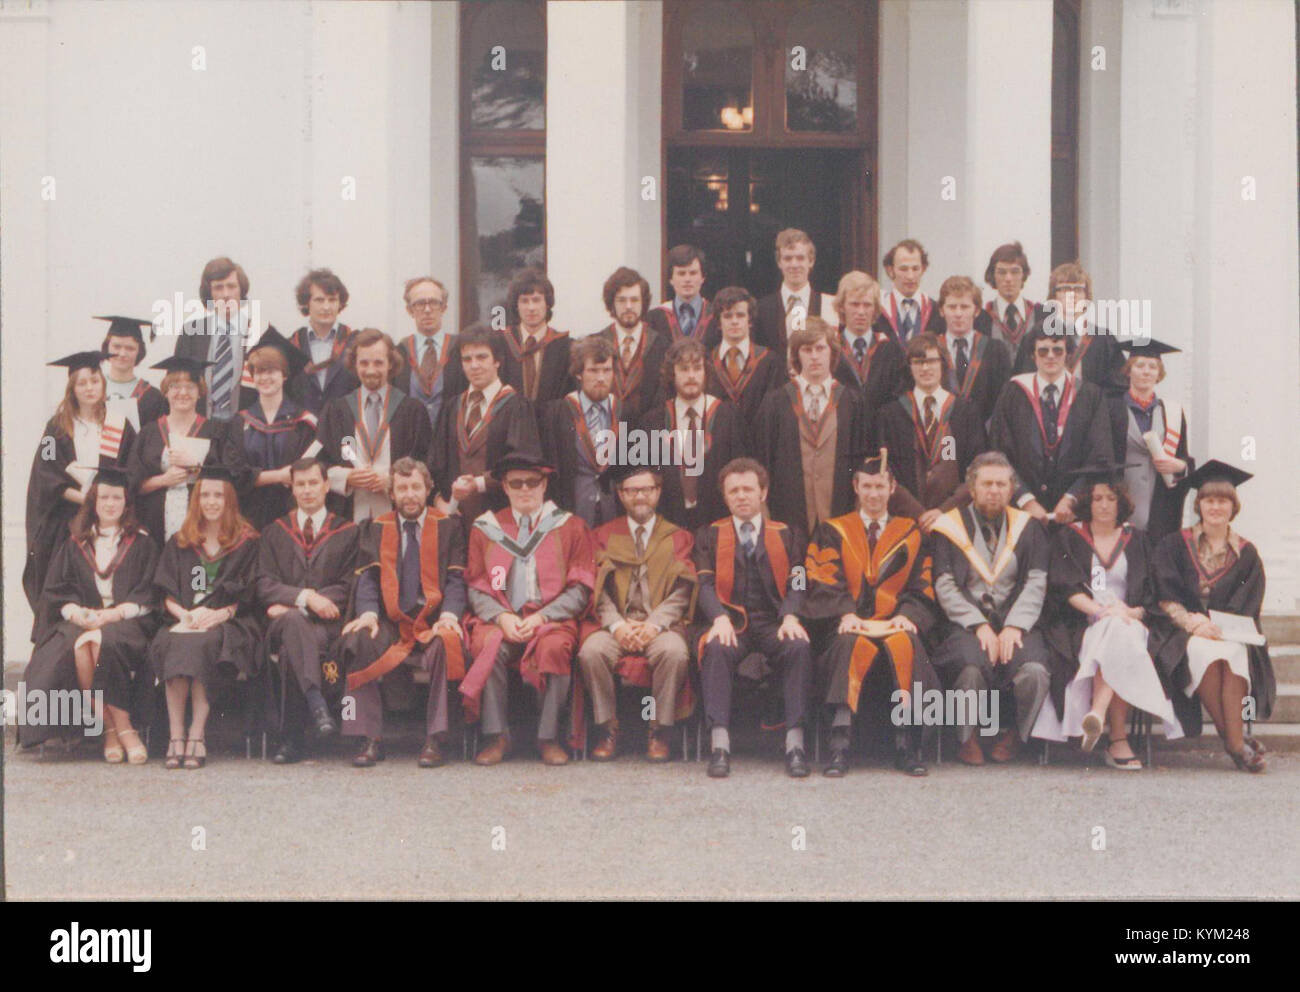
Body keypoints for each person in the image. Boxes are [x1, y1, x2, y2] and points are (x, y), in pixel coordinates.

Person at [1032, 467, 1184, 769]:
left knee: (1119, 631)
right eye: (1097, 498)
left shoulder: (1138, 539)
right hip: (1083, 624)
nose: (1103, 504)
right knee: (1115, 632)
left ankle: (1097, 715)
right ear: (1088, 502)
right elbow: (1064, 588)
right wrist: (1100, 611)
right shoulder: (1069, 537)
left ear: (1121, 502)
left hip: (1131, 622)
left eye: (1110, 498)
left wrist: (1127, 612)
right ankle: (1117, 739)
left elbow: (1152, 595)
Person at [802, 453, 940, 776]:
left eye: (880, 486)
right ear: (855, 487)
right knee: (849, 643)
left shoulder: (912, 533)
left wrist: (909, 614)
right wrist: (845, 614)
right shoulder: (832, 531)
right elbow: (822, 579)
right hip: (848, 623)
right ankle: (840, 746)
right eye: (867, 486)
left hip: (894, 622)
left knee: (906, 643)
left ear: (893, 488)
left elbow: (924, 583)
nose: (874, 494)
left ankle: (908, 746)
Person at [461, 454, 594, 767]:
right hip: (501, 617)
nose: (525, 489)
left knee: (556, 648)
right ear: (504, 487)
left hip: (550, 619)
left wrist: (542, 617)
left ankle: (547, 737)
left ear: (544, 484)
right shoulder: (486, 529)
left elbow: (581, 587)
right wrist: (502, 616)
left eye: (532, 482)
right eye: (516, 483)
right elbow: (477, 585)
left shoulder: (570, 526)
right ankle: (497, 736)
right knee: (486, 645)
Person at [21, 469, 160, 762]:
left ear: (126, 503)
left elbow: (150, 594)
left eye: (117, 498)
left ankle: (116, 730)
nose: (110, 504)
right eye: (104, 497)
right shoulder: (75, 542)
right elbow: (56, 591)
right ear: (94, 502)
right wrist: (76, 613)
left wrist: (114, 615)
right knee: (80, 643)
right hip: (83, 619)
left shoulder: (143, 542)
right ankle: (118, 729)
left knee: (100, 642)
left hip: (126, 621)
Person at [338, 458, 467, 768]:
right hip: (391, 619)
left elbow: (455, 580)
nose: (409, 495)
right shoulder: (376, 527)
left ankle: (436, 738)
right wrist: (367, 613)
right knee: (360, 639)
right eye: (402, 488)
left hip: (432, 619)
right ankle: (368, 737)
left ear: (427, 489)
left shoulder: (448, 526)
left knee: (445, 644)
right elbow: (367, 579)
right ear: (392, 493)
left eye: (415, 487)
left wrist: (450, 615)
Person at [1151, 461, 1275, 773]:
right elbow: (1164, 596)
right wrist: (1193, 623)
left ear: (1233, 506)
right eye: (1209, 500)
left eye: (1222, 501)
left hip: (1229, 634)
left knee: (1230, 652)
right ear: (1199, 505)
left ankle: (1233, 741)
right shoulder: (1175, 545)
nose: (1215, 507)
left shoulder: (1247, 554)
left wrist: (1218, 626)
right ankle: (1236, 743)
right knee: (1202, 651)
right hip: (1185, 634)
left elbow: (1249, 605)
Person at [693, 458, 813, 778]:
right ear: (725, 496)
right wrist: (718, 618)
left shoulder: (787, 534)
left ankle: (795, 745)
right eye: (734, 491)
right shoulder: (710, 534)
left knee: (798, 647)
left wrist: (791, 616)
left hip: (774, 621)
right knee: (716, 648)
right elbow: (704, 584)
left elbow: (798, 582)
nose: (741, 496)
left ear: (763, 493)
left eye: (748, 489)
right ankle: (720, 745)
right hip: (732, 623)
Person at [930, 452, 1052, 765]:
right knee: (969, 667)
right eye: (987, 484)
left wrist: (1014, 626)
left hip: (1015, 621)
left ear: (1012, 490)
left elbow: (1036, 583)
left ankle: (1013, 735)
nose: (994, 490)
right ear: (972, 488)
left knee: (1035, 671)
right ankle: (966, 737)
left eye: (1001, 484)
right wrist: (977, 624)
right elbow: (945, 586)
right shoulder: (949, 527)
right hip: (966, 624)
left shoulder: (1029, 528)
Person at [576, 465, 696, 762]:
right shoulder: (602, 536)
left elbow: (683, 591)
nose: (640, 496)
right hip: (615, 625)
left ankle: (659, 730)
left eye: (646, 489)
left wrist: (654, 624)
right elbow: (596, 590)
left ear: (657, 492)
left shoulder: (678, 537)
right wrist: (617, 625)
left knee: (674, 653)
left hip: (660, 626)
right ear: (620, 495)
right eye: (632, 490)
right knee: (591, 652)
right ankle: (608, 728)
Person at [148, 465, 262, 770]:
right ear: (196, 500)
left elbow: (250, 596)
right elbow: (165, 591)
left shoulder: (247, 541)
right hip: (183, 620)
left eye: (218, 495)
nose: (211, 502)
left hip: (229, 623)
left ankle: (196, 733)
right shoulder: (181, 541)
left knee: (201, 644)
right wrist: (185, 615)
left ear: (229, 501)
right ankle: (176, 736)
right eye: (205, 495)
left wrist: (219, 614)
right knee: (176, 641)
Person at [256, 457, 362, 764]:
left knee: (292, 640)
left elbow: (347, 586)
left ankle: (292, 738)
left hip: (325, 624)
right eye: (300, 484)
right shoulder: (275, 531)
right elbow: (263, 583)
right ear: (291, 488)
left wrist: (298, 604)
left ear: (327, 485)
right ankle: (318, 707)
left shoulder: (348, 531)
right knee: (291, 623)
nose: (307, 490)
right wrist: (305, 598)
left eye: (313, 483)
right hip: (284, 624)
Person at [24, 352, 132, 618]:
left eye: (94, 381)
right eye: (81, 383)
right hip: (68, 519)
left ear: (103, 384)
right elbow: (45, 473)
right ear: (72, 389)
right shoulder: (57, 428)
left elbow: (132, 470)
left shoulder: (119, 424)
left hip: (109, 519)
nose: (89, 388)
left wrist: (104, 501)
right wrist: (84, 499)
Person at [754, 319, 870, 533]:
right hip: (788, 514)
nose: (814, 356)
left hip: (840, 512)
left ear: (832, 353)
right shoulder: (776, 402)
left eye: (820, 348)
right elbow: (764, 461)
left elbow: (862, 461)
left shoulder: (852, 402)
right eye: (807, 350)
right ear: (797, 355)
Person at [989, 328, 1114, 525]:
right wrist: (1026, 500)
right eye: (1043, 351)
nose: (1050, 356)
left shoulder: (1090, 395)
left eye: (1057, 350)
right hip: (1022, 512)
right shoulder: (1013, 392)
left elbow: (1099, 455)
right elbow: (999, 452)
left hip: (1073, 513)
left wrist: (1072, 498)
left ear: (1068, 354)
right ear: (1033, 355)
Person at [127, 355, 250, 548]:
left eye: (190, 387)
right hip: (153, 526)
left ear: (200, 392)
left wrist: (198, 468)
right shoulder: (148, 433)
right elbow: (133, 484)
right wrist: (163, 480)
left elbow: (230, 482)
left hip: (202, 527)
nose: (182, 393)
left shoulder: (216, 431)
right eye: (175, 386)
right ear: (166, 392)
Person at [316, 327, 435, 522]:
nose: (371, 370)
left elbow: (427, 462)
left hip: (400, 514)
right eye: (364, 362)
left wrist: (394, 480)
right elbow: (320, 462)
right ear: (354, 364)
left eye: (378, 362)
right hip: (348, 516)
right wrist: (346, 477)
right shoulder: (338, 411)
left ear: (390, 364)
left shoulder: (412, 411)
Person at [428, 323, 542, 524]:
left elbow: (524, 464)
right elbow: (436, 464)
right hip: (455, 518)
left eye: (481, 357)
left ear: (497, 360)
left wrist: (480, 483)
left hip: (502, 516)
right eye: (467, 359)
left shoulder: (516, 406)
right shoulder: (451, 407)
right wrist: (438, 500)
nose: (474, 365)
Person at [874, 334, 987, 531]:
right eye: (918, 362)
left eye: (931, 361)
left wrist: (945, 511)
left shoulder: (965, 411)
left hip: (955, 519)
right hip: (906, 519)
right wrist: (918, 513)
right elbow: (886, 472)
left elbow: (977, 468)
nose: (925, 368)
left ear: (943, 363)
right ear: (909, 366)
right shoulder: (891, 413)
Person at [640, 338, 742, 533]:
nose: (691, 375)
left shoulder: (727, 416)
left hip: (717, 520)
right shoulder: (653, 421)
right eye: (684, 369)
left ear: (706, 373)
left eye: (697, 368)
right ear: (672, 374)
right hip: (668, 521)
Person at [1108, 337, 1192, 542]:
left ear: (1159, 373)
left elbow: (1185, 460)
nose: (1146, 371)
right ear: (1128, 370)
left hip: (1161, 512)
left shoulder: (1172, 412)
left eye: (1153, 366)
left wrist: (1179, 465)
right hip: (1122, 507)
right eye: (1139, 365)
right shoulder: (1111, 409)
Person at [237, 328, 321, 531]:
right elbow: (234, 473)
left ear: (284, 375)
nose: (265, 378)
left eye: (271, 371)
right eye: (259, 371)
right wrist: (278, 476)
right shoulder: (239, 423)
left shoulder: (305, 423)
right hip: (248, 517)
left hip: (292, 514)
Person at [539, 335, 622, 529]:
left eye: (607, 370)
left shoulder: (625, 413)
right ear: (578, 373)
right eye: (593, 370)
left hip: (614, 513)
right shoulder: (557, 413)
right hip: (571, 511)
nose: (601, 378)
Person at [173, 256, 267, 419]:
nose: (226, 294)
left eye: (231, 286)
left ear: (241, 290)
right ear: (209, 293)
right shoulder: (192, 333)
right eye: (218, 287)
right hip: (201, 427)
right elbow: (175, 385)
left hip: (244, 428)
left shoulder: (259, 333)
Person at [1014, 262, 1125, 394]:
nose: (1072, 295)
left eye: (1078, 290)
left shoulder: (1103, 339)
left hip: (1090, 412)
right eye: (1065, 289)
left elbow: (1117, 388)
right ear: (1054, 295)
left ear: (1086, 296)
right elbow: (1023, 385)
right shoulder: (1035, 337)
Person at [704, 285, 785, 453]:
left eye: (740, 315)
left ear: (750, 320)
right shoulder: (706, 362)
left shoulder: (770, 362)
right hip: (716, 450)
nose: (734, 321)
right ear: (718, 322)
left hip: (758, 451)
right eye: (727, 316)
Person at [595, 267, 671, 425]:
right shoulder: (595, 344)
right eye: (622, 300)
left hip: (648, 441)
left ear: (644, 303)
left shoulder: (662, 346)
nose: (628, 306)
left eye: (634, 300)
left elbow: (663, 402)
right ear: (612, 303)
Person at [937, 275, 1011, 425]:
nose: (958, 314)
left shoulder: (995, 350)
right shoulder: (932, 349)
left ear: (976, 311)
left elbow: (1002, 403)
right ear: (941, 310)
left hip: (982, 437)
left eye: (964, 307)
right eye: (952, 307)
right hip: (940, 436)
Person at [394, 276, 466, 429]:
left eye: (434, 302)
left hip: (452, 440)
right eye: (420, 303)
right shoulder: (398, 354)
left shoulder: (461, 349)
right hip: (410, 442)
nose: (427, 310)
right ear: (410, 310)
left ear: (444, 308)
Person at [831, 271, 907, 416]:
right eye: (854, 304)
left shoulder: (891, 351)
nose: (861, 311)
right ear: (841, 306)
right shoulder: (830, 350)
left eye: (867, 305)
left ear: (876, 309)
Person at [286, 268, 358, 416]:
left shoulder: (356, 343)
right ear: (306, 303)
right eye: (319, 300)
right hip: (304, 431)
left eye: (332, 300)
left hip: (344, 430)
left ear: (340, 304)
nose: (326, 307)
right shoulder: (291, 346)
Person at [495, 268, 573, 405]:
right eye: (524, 301)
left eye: (536, 300)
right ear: (516, 306)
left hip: (551, 423)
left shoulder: (565, 347)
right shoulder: (501, 343)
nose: (531, 307)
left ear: (547, 304)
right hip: (510, 424)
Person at [753, 228, 837, 354]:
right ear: (779, 262)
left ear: (811, 261)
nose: (794, 265)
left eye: (800, 258)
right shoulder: (762, 308)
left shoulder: (830, 305)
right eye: (788, 259)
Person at [97, 315, 168, 430]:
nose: (122, 354)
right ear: (107, 347)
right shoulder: (91, 389)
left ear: (139, 352)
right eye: (116, 346)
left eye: (130, 348)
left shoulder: (153, 398)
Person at [877, 239, 945, 345]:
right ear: (890, 270)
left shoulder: (936, 312)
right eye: (903, 269)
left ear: (923, 269)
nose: (910, 276)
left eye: (915, 269)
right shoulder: (878, 312)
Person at [974, 242, 1035, 358]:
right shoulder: (980, 319)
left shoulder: (1040, 316)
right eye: (1002, 272)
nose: (1008, 278)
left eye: (1015, 271)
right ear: (992, 275)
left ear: (1024, 274)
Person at [647, 244, 715, 344]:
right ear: (671, 279)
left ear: (702, 278)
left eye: (693, 273)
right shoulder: (655, 319)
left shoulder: (716, 316)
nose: (687, 279)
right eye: (681, 273)